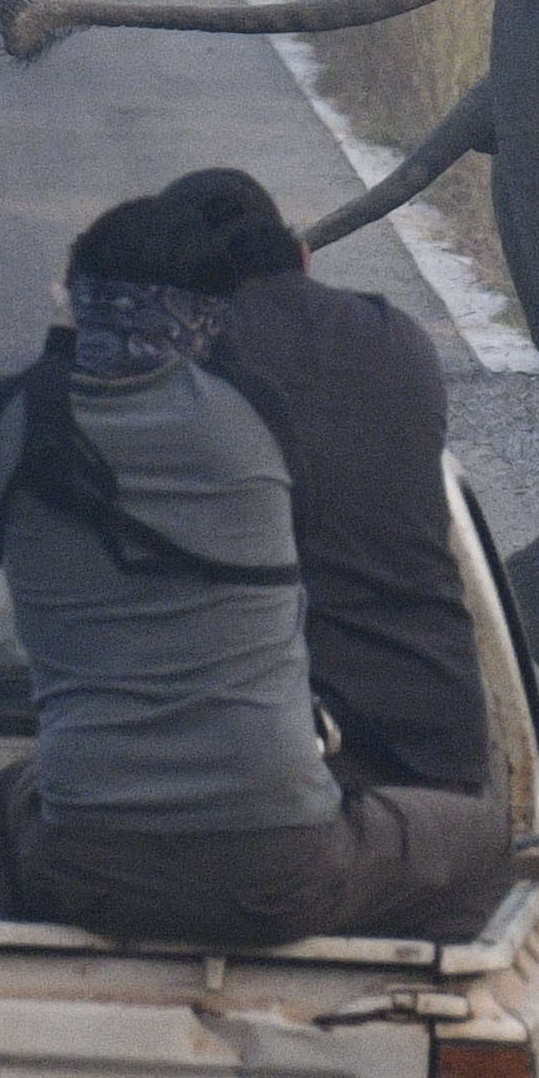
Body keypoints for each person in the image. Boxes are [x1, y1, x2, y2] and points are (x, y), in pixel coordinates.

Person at [0, 187, 526, 949]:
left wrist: (66, 346)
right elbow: (301, 539)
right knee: (486, 841)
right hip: (275, 871)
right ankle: (410, 974)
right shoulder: (251, 411)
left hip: (83, 865)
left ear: (74, 298)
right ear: (210, 315)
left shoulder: (15, 415)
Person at [147, 160, 494, 801]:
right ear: (303, 259)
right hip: (433, 745)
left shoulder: (183, 363)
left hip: (245, 750)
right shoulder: (399, 339)